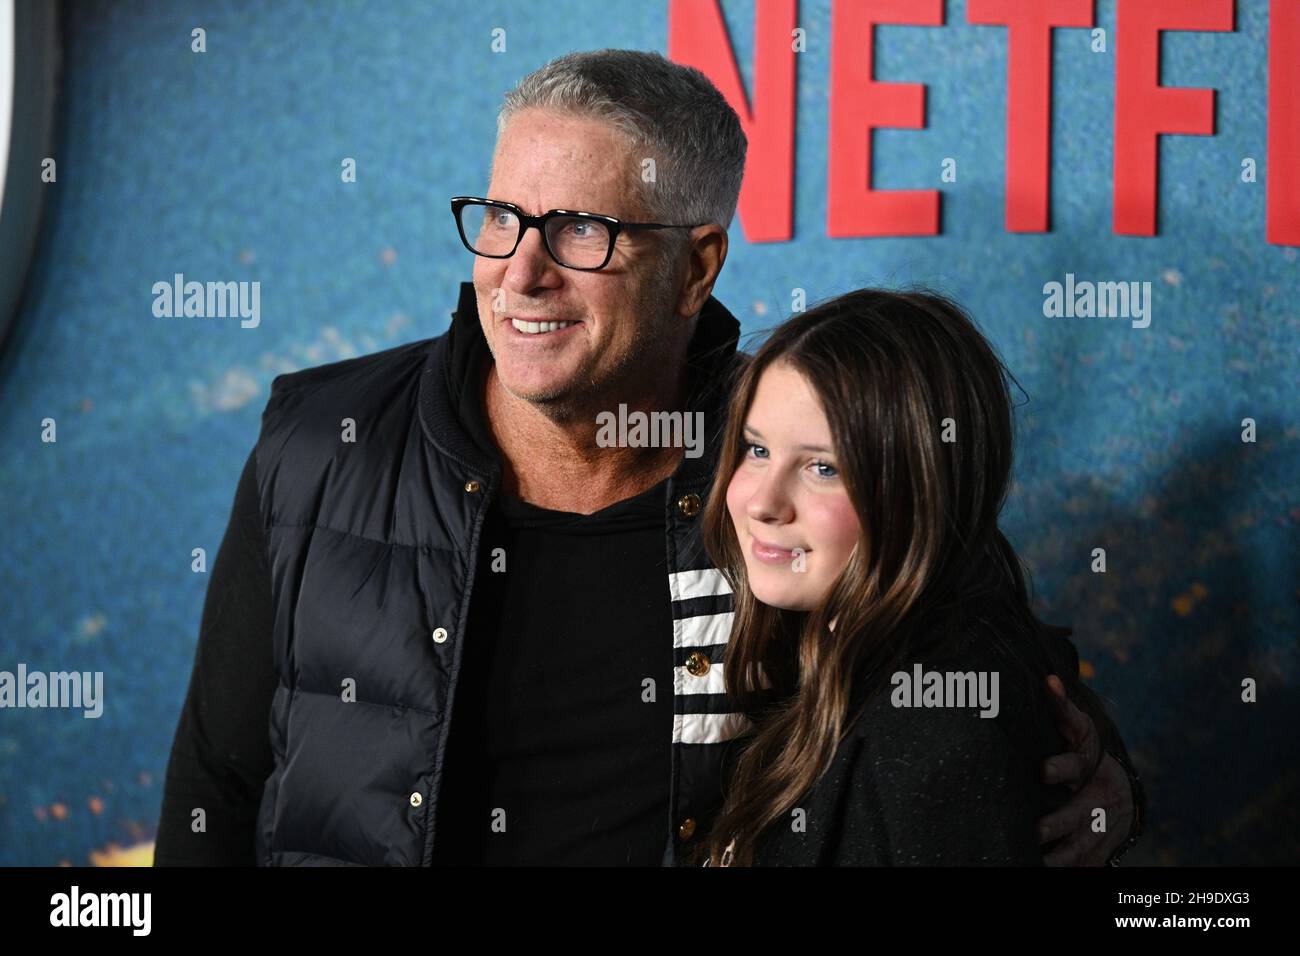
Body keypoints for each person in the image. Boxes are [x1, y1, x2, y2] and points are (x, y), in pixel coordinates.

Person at [154, 49, 1142, 867]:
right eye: (501, 218)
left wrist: (1101, 783)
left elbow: (996, 673)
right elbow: (217, 784)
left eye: (581, 229)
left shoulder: (795, 455)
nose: (520, 272)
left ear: (695, 266)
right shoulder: (322, 440)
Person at [691, 288, 1134, 866]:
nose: (762, 503)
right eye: (755, 450)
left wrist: (1113, 787)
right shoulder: (849, 639)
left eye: (823, 467)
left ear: (922, 493)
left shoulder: (936, 730)